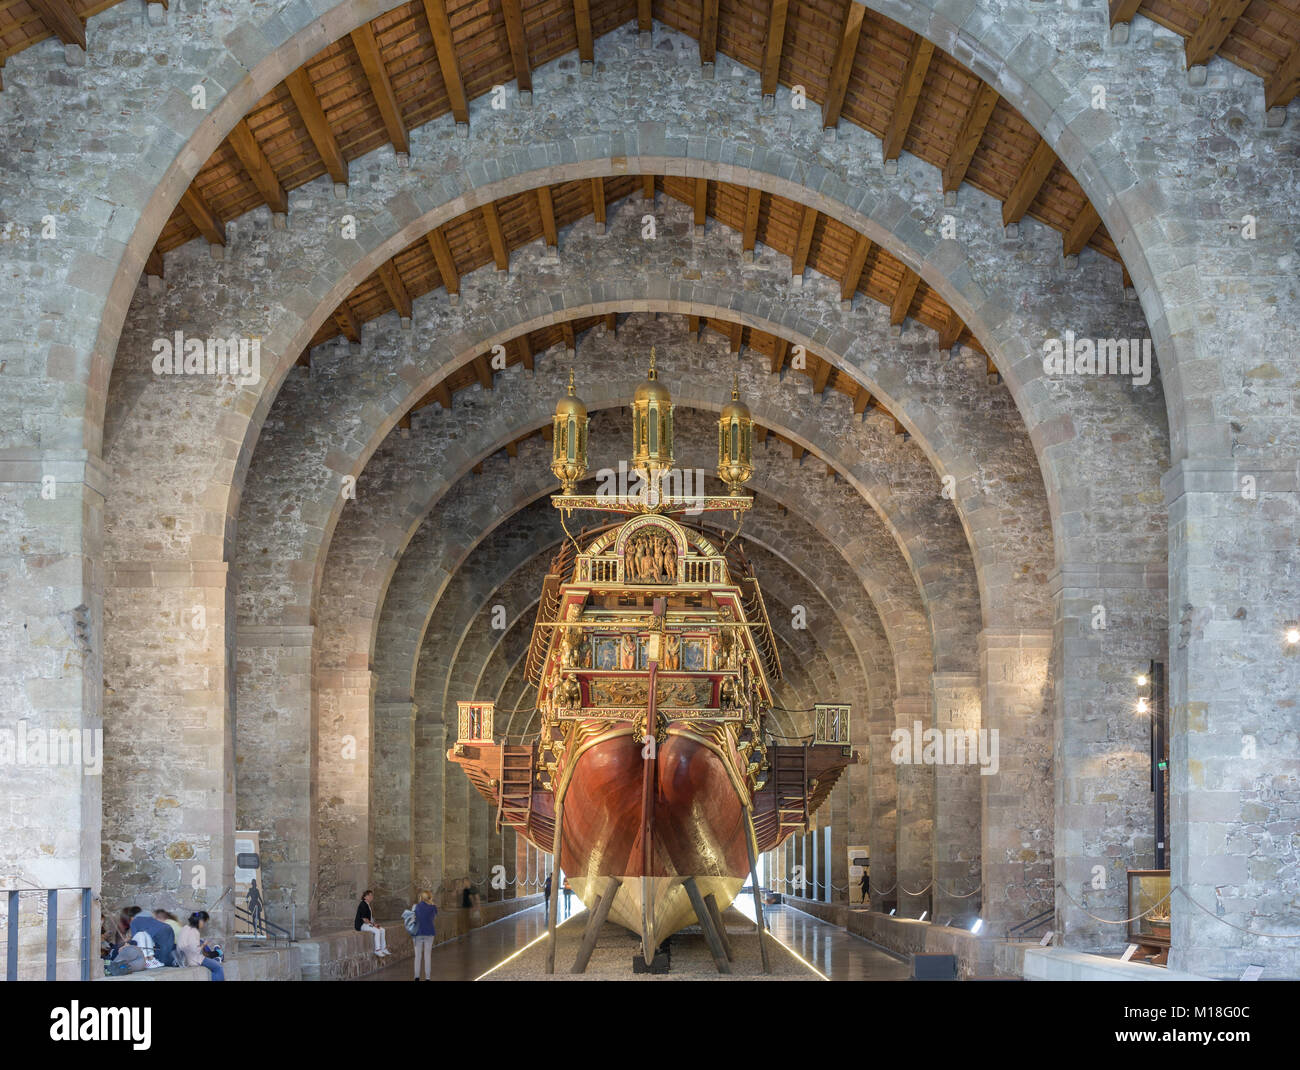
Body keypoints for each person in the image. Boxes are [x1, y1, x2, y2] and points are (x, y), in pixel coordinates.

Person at [176, 911, 224, 981]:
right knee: (218, 967)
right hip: (192, 959)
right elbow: (196, 950)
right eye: (204, 922)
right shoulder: (195, 931)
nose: (204, 925)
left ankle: (216, 957)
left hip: (183, 956)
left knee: (203, 947)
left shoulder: (185, 927)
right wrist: (204, 944)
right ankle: (218, 956)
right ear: (200, 921)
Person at [354, 890, 390, 957]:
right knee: (377, 930)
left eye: (372, 895)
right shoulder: (363, 904)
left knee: (382, 930)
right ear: (365, 897)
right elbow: (364, 919)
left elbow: (370, 918)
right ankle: (377, 950)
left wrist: (374, 924)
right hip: (361, 925)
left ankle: (383, 948)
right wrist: (373, 925)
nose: (371, 897)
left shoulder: (368, 904)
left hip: (367, 924)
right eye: (370, 895)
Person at [412, 891, 438, 981]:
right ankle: (427, 978)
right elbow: (433, 918)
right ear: (430, 897)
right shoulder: (433, 907)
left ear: (421, 897)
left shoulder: (415, 906)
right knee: (427, 955)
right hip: (429, 932)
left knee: (417, 956)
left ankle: (416, 977)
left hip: (418, 933)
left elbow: (413, 919)